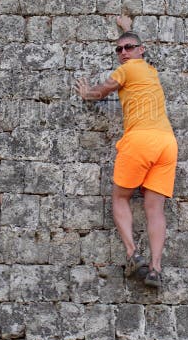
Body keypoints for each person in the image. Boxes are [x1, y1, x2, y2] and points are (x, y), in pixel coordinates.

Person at [75, 16, 178, 288]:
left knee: (120, 197)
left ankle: (133, 254)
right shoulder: (150, 72)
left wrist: (87, 93)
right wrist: (127, 31)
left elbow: (103, 91)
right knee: (154, 209)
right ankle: (155, 269)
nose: (123, 53)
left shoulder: (128, 69)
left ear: (140, 50)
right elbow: (135, 45)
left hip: (140, 140)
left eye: (128, 48)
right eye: (119, 50)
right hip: (167, 143)